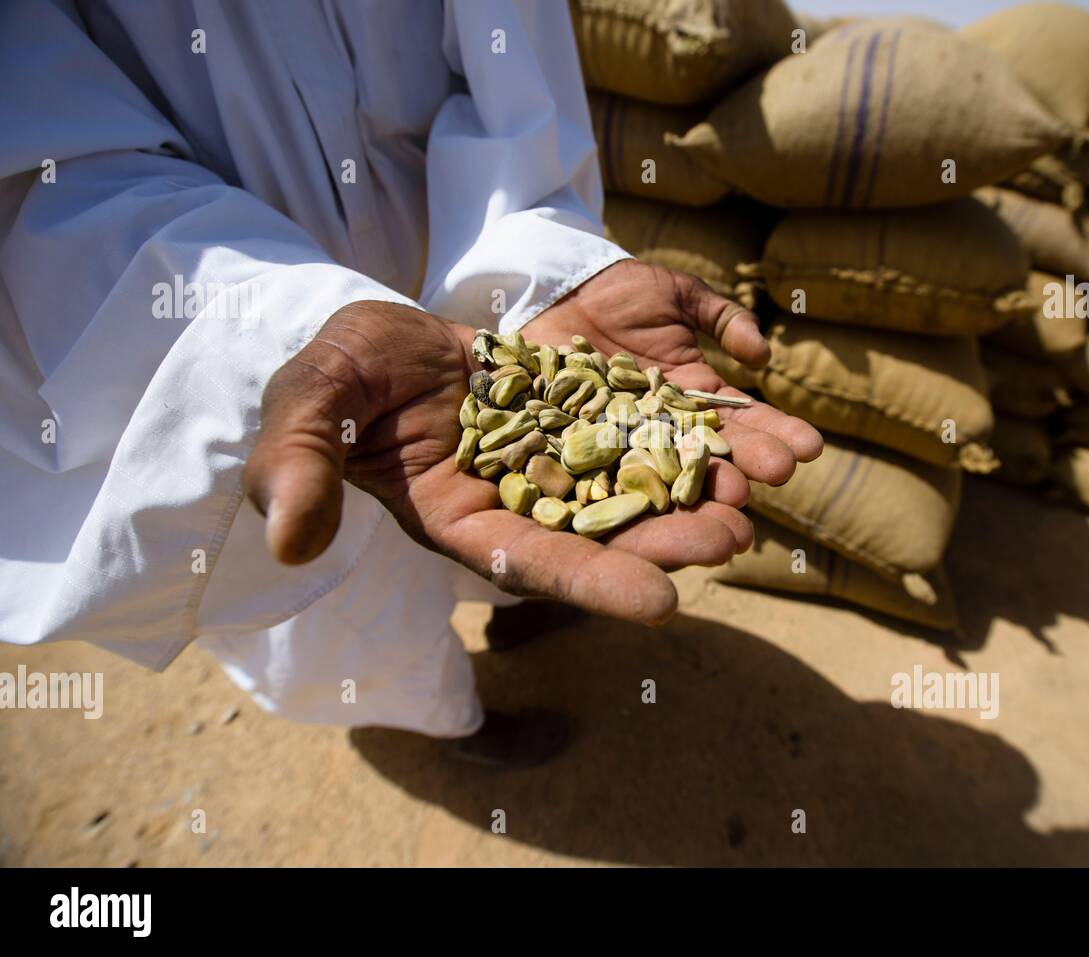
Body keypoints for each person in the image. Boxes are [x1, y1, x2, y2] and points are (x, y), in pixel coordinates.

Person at [0, 0, 821, 767]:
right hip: (220, 280)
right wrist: (278, 330)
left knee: (488, 528)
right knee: (355, 599)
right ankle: (455, 722)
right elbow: (46, 166)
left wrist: (541, 266)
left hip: (461, 281)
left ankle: (514, 610)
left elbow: (515, 83)